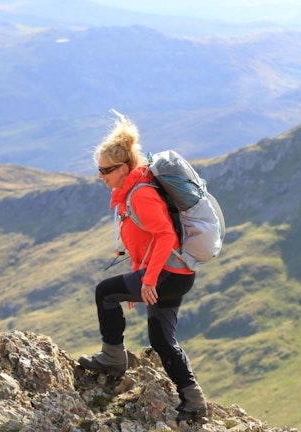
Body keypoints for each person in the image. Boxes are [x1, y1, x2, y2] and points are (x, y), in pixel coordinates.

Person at [79, 111, 208, 424]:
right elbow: (144, 241)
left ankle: (112, 359)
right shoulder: (130, 192)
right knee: (162, 340)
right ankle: (193, 401)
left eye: (105, 171)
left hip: (167, 274)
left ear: (124, 169)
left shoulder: (141, 195)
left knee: (105, 293)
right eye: (98, 170)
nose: (101, 176)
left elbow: (164, 234)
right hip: (176, 275)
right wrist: (139, 277)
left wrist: (147, 281)